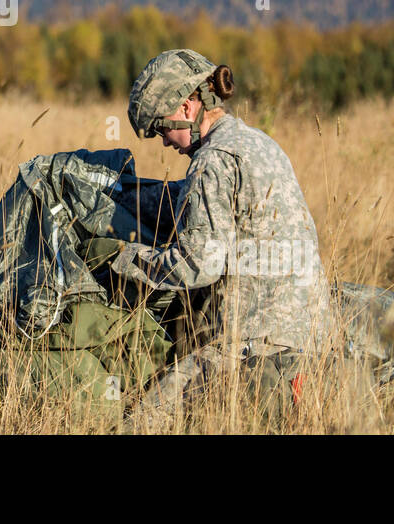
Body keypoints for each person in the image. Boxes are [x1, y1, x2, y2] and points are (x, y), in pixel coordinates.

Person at [118, 48, 334, 425]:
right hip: (314, 345)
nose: (164, 142)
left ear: (188, 107)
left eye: (161, 129)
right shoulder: (258, 143)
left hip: (258, 352)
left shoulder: (212, 161)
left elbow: (197, 265)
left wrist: (127, 259)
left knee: (138, 423)